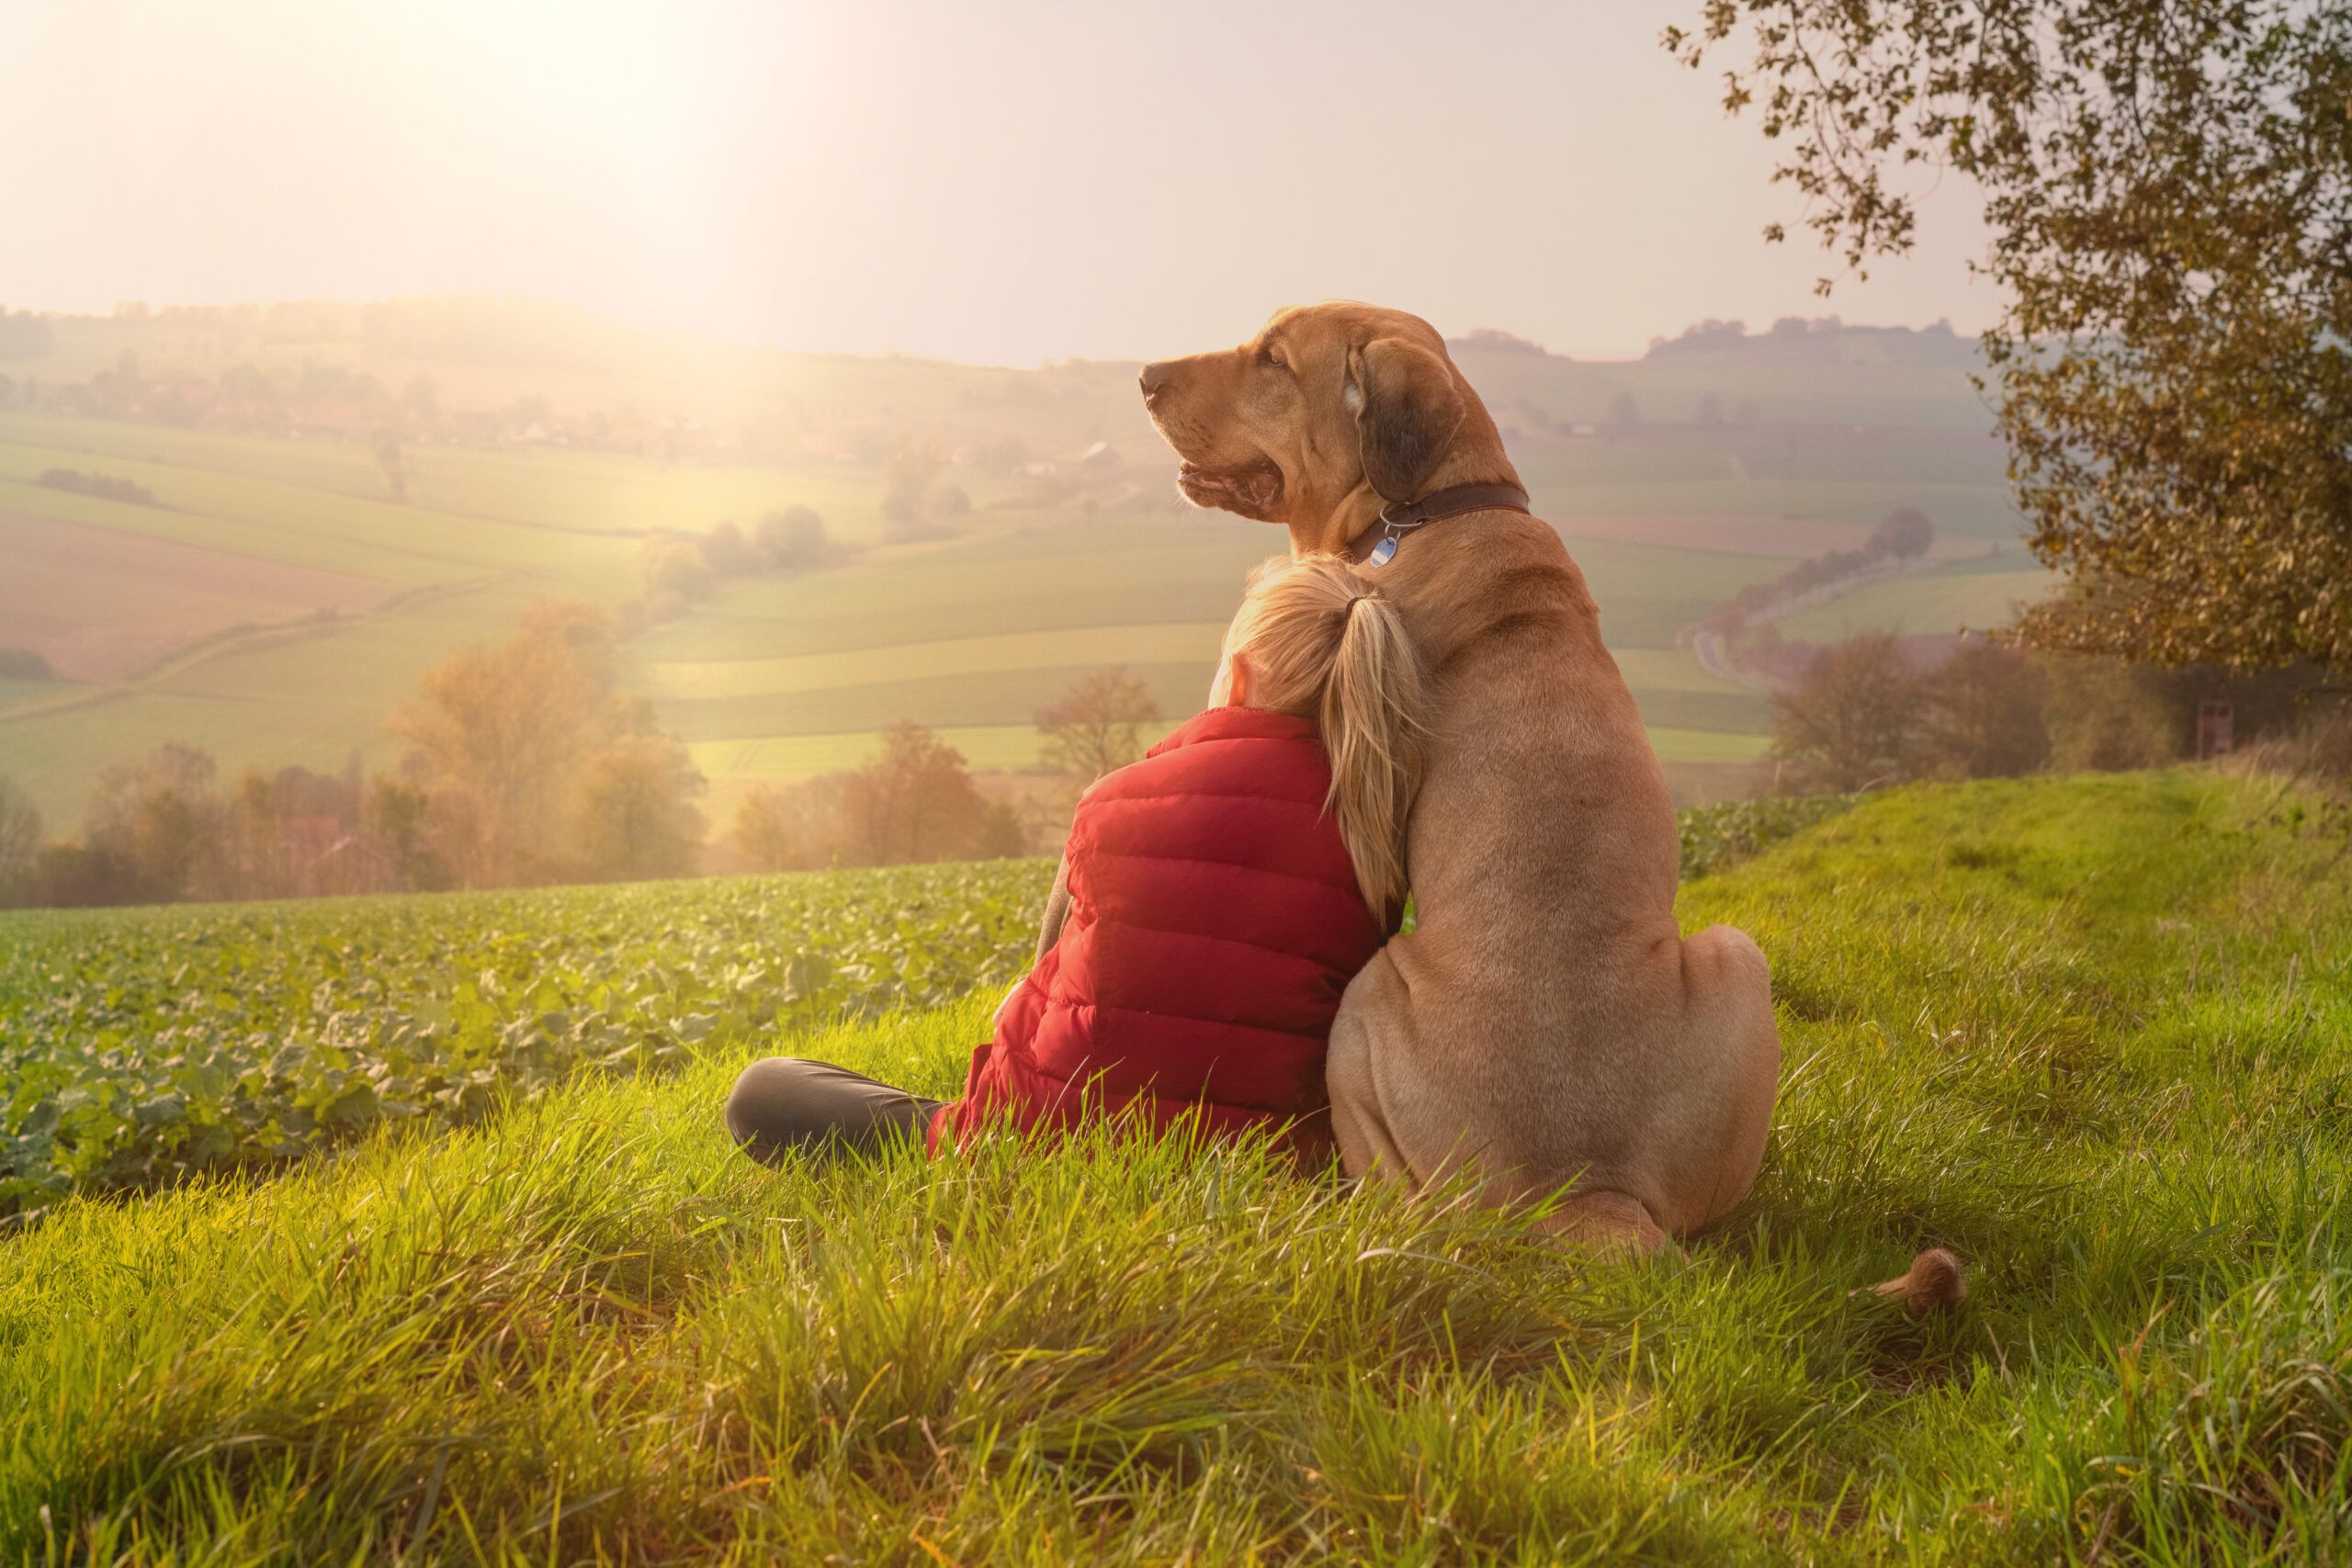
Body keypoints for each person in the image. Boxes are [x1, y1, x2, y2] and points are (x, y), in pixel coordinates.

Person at [722, 555, 1426, 1167]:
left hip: (1031, 1150)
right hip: (1259, 1171)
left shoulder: (1117, 800)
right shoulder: (1379, 835)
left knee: (764, 1090)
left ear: (1237, 678)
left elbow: (1034, 1014)